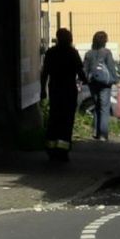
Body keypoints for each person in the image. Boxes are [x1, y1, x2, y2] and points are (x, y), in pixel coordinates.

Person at [40, 28, 86, 160]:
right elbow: (80, 72)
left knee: (54, 119)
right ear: (69, 39)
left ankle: (51, 149)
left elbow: (45, 74)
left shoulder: (51, 53)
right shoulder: (72, 53)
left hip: (55, 90)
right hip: (68, 91)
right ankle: (63, 151)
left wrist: (42, 90)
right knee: (66, 121)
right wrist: (88, 81)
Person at [83, 31, 120, 141]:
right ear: (105, 41)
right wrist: (117, 80)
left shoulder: (89, 53)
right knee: (104, 108)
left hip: (93, 82)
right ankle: (103, 134)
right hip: (105, 84)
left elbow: (85, 69)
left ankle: (96, 131)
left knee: (97, 106)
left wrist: (84, 80)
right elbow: (111, 68)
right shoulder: (106, 53)